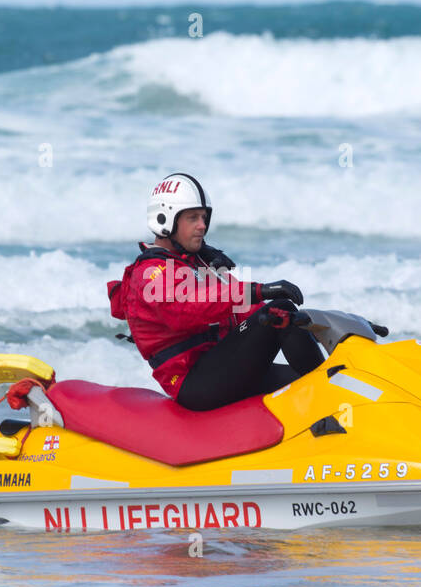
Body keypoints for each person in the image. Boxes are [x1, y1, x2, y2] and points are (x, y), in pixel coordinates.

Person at [107, 172, 323, 410]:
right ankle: (329, 399)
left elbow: (247, 312)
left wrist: (322, 325)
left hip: (219, 365)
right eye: (192, 218)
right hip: (193, 383)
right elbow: (191, 308)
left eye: (203, 217)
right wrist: (260, 291)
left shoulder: (197, 263)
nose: (202, 226)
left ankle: (333, 399)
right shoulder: (149, 274)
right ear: (164, 220)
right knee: (280, 310)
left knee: (301, 371)